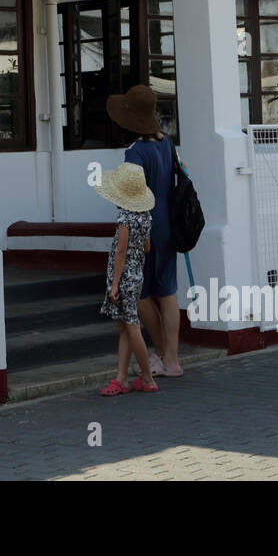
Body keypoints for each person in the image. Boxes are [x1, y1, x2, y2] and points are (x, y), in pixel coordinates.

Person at [107, 83, 184, 378]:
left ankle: (161, 352)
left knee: (139, 294)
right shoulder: (166, 142)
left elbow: (134, 196)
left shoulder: (135, 152)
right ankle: (173, 361)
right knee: (167, 291)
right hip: (169, 222)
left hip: (146, 225)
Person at [93, 163, 158, 395]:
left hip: (124, 279)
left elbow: (120, 252)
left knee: (131, 327)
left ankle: (148, 378)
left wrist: (115, 284)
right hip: (137, 276)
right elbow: (147, 247)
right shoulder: (145, 217)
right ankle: (121, 378)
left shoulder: (124, 218)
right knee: (125, 326)